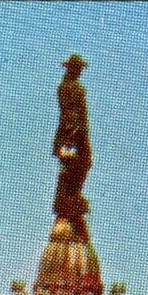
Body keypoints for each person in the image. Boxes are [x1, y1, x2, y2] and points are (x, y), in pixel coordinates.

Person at [53, 54, 92, 231]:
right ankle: (69, 197)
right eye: (78, 68)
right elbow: (73, 113)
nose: (79, 72)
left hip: (73, 132)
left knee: (80, 164)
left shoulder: (65, 87)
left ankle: (71, 196)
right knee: (78, 164)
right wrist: (74, 133)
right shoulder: (73, 88)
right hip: (73, 132)